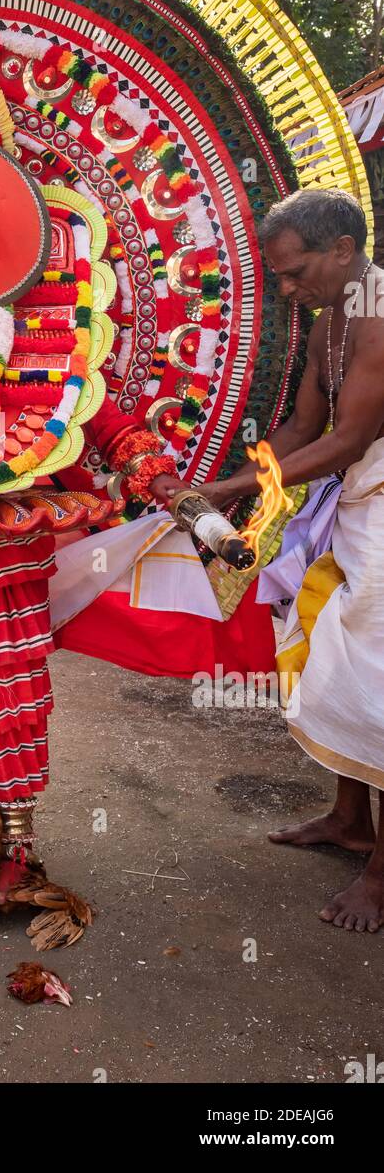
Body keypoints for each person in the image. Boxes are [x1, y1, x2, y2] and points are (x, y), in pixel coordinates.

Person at [197, 187, 384, 933]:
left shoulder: (377, 316)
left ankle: (382, 875)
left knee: (376, 670)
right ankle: (350, 819)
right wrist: (226, 479)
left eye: (294, 271)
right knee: (329, 648)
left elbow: (346, 441)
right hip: (359, 502)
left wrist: (234, 486)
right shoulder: (328, 324)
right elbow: (306, 425)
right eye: (277, 277)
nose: (286, 288)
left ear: (342, 251)